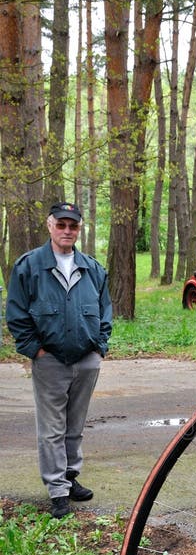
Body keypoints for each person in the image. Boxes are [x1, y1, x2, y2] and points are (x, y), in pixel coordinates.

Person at [6, 202, 113, 519]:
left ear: (79, 229)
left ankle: (70, 477)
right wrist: (35, 350)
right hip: (49, 360)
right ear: (50, 226)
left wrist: (99, 347)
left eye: (73, 226)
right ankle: (57, 492)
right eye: (61, 225)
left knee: (74, 427)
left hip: (86, 359)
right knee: (51, 429)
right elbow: (16, 313)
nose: (67, 231)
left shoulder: (92, 268)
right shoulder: (29, 266)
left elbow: (106, 311)